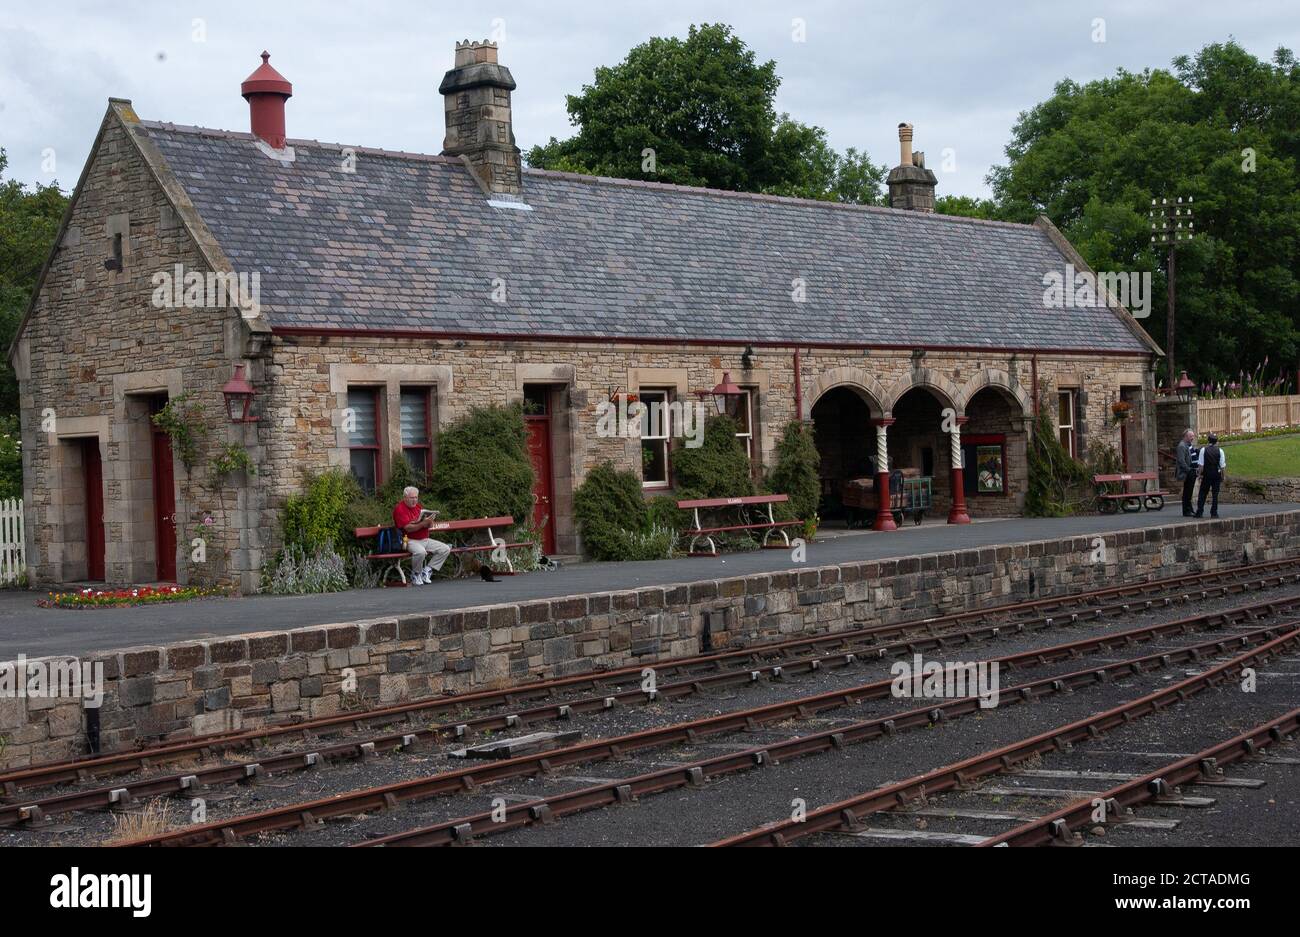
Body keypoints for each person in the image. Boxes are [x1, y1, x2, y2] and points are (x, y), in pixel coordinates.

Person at [393, 486, 451, 585]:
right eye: (412, 498)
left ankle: (427, 571)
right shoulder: (400, 509)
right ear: (405, 497)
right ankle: (416, 574)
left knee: (445, 549)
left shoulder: (418, 507)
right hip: (409, 540)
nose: (414, 500)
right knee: (421, 552)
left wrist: (429, 522)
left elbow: (428, 525)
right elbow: (407, 528)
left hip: (425, 539)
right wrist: (422, 524)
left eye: (416, 497)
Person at [1194, 433, 1226, 519]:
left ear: (1208, 441)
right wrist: (1223, 476)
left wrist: (1199, 475)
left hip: (1207, 474)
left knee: (1203, 493)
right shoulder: (1220, 451)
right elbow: (1222, 466)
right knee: (1215, 494)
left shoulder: (1203, 450)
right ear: (1217, 442)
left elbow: (1201, 465)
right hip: (1216, 474)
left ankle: (1199, 512)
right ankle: (1214, 513)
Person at [1175, 428, 1198, 516]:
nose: (1192, 438)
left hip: (1192, 471)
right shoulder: (1182, 446)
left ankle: (1190, 509)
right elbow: (1181, 461)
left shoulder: (1188, 444)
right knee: (1187, 492)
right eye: (1191, 436)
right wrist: (1189, 470)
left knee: (1189, 492)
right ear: (1186, 436)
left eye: (1193, 436)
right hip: (1188, 472)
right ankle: (1186, 510)